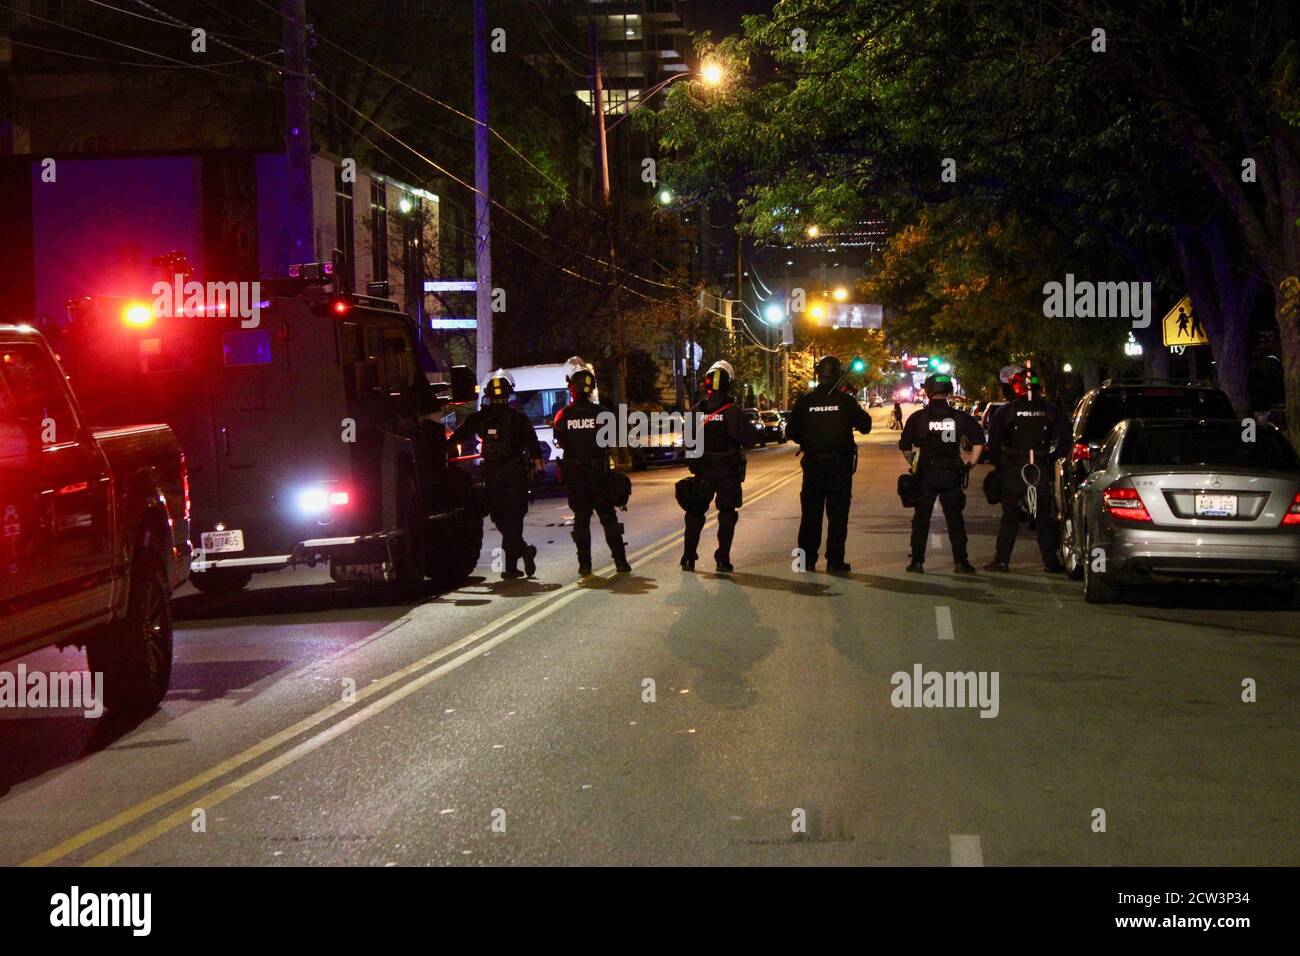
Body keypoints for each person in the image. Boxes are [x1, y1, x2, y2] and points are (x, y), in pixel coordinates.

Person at [449, 370, 544, 579]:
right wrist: (539, 468)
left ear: (488, 395)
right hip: (512, 475)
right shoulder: (518, 419)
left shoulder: (480, 418)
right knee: (511, 520)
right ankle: (521, 554)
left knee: (502, 519)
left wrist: (443, 452)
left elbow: (458, 436)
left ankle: (511, 566)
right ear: (508, 395)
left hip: (493, 475)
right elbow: (533, 446)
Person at [785, 355, 873, 573]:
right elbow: (865, 426)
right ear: (837, 374)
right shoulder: (845, 401)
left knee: (810, 515)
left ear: (818, 374)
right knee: (838, 515)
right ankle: (835, 561)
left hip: (814, 465)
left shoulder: (806, 401)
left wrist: (809, 436)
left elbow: (791, 432)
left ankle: (805, 561)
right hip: (839, 466)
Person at [983, 368, 1071, 572]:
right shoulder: (1050, 410)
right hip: (1039, 468)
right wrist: (1052, 458)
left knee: (1010, 519)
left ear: (1014, 388)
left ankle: (1002, 560)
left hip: (1013, 470)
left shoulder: (1007, 411)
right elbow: (1066, 437)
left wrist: (999, 465)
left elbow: (994, 442)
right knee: (1043, 519)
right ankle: (1051, 562)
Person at [898, 373, 984, 574]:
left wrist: (914, 463)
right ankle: (961, 562)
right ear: (949, 391)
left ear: (928, 391)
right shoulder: (960, 417)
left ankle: (917, 562)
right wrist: (970, 464)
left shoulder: (919, 418)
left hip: (927, 473)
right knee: (955, 519)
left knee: (921, 519)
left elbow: (905, 447)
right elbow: (979, 440)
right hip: (951, 474)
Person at [552, 362, 632, 576]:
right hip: (600, 475)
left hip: (577, 476)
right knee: (608, 518)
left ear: (572, 388)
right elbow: (611, 441)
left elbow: (560, 441)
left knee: (581, 520)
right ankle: (621, 562)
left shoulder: (563, 415)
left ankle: (585, 566)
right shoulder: (602, 414)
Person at [681, 360, 745, 573]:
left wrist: (697, 465)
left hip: (704, 471)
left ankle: (688, 557)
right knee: (727, 514)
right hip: (727, 471)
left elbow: (689, 443)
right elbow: (750, 439)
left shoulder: (696, 411)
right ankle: (722, 559)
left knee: (695, 513)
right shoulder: (734, 411)